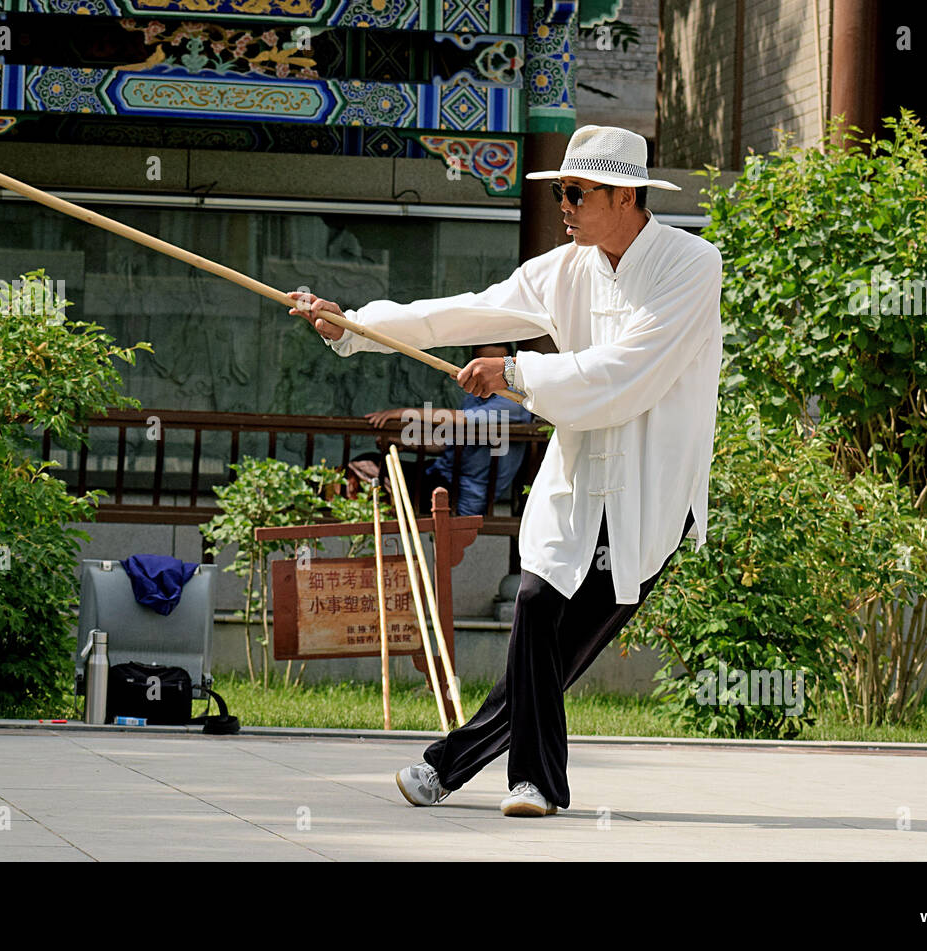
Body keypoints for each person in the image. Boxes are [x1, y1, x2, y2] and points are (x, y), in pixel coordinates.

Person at [289, 125, 722, 817]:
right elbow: (461, 313)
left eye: (578, 193)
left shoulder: (692, 266)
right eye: (563, 194)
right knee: (534, 605)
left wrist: (517, 371)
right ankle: (537, 783)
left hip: (651, 488)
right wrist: (357, 326)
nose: (566, 207)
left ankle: (447, 766)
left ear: (625, 194)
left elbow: (630, 373)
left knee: (562, 646)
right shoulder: (564, 269)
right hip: (578, 477)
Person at [364, 342, 535, 517]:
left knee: (368, 470)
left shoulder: (514, 402)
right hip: (441, 475)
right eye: (483, 364)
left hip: (460, 493)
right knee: (368, 462)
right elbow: (451, 443)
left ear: (508, 367)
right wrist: (406, 444)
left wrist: (401, 413)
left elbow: (459, 419)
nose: (488, 372)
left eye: (496, 365)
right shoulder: (475, 398)